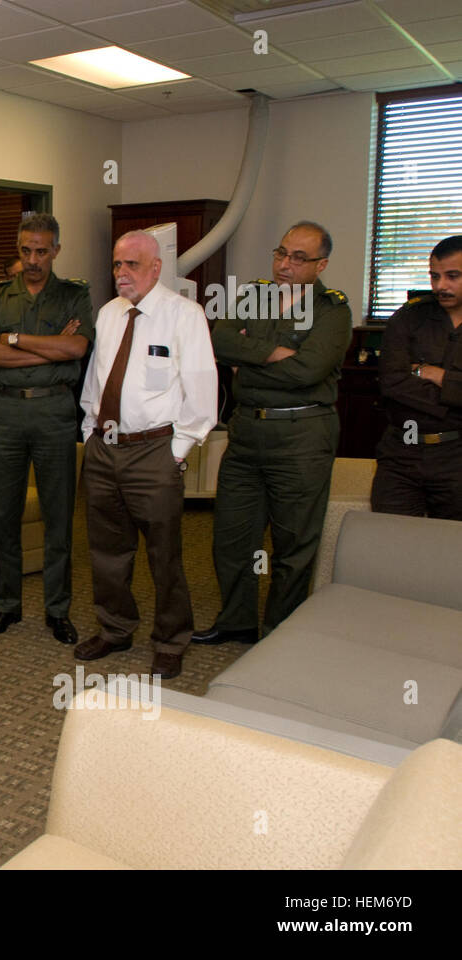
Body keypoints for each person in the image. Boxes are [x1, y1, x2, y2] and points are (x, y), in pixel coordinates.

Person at [195, 221, 351, 646]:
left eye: (298, 258)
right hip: (246, 433)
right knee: (231, 536)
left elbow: (310, 370)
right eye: (281, 253)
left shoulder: (333, 309)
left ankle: (280, 634)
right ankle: (237, 622)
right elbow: (220, 341)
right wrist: (275, 354)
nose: (285, 264)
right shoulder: (255, 296)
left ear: (321, 264)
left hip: (302, 435)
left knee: (293, 544)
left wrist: (250, 363)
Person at [77, 230, 217, 680]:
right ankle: (116, 630)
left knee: (165, 554)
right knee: (106, 551)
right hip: (104, 448)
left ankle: (171, 640)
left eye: (131, 265)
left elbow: (202, 391)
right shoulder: (108, 314)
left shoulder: (184, 315)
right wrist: (89, 430)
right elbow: (97, 379)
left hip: (154, 451)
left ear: (156, 268)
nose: (121, 274)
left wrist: (176, 453)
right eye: (116, 265)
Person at [0, 214, 92, 644]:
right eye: (26, 251)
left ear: (56, 250)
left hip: (55, 413)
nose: (33, 259)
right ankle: (6, 605)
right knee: (5, 514)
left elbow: (76, 347)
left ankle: (57, 609)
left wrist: (14, 340)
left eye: (42, 251)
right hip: (4, 414)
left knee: (58, 515)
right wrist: (47, 350)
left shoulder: (74, 296)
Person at [371, 234, 462, 520]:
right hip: (401, 453)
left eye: (452, 276)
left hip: (456, 456)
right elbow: (393, 382)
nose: (440, 286)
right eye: (434, 276)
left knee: (451, 551)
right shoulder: (409, 317)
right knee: (393, 545)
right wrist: (452, 394)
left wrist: (431, 373)